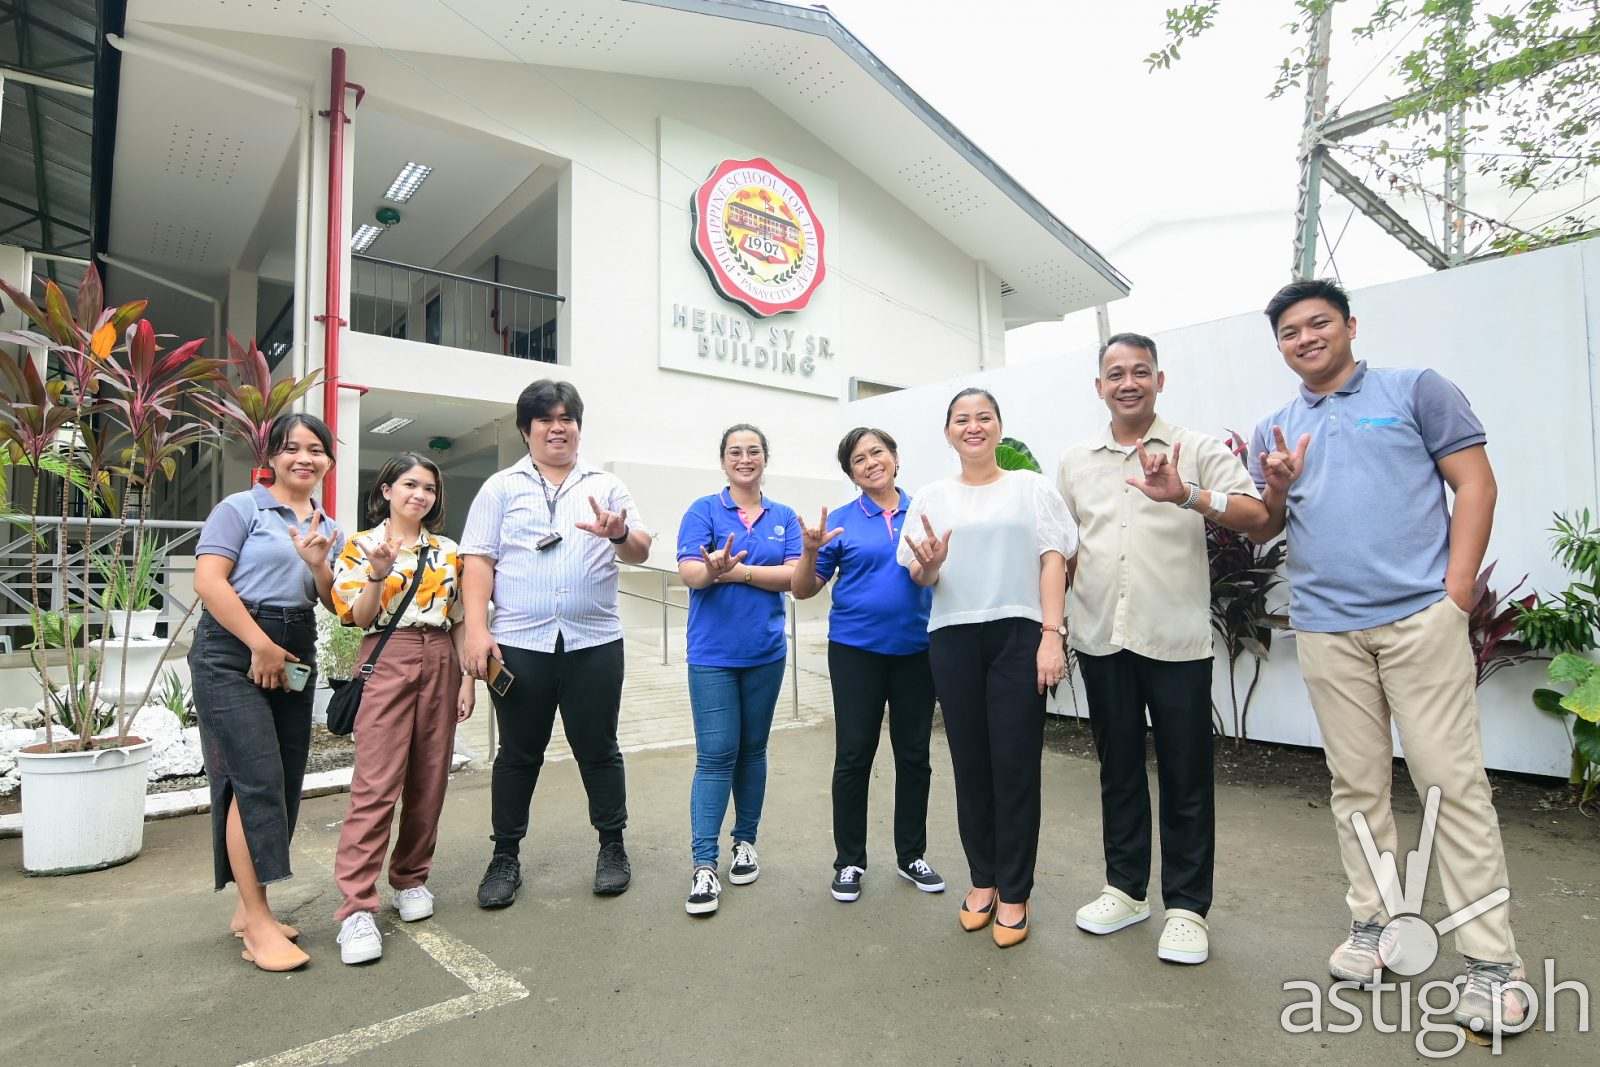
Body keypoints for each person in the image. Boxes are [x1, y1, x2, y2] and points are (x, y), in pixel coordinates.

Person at [1247, 278, 1525, 1031]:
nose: (1305, 339)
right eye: (1290, 333)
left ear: (1348, 326)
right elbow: (1268, 523)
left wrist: (1456, 594)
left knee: (1450, 783)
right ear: (1279, 346)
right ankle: (1374, 926)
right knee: (1356, 786)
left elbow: (1475, 483)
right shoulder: (1273, 427)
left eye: (1318, 324)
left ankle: (1492, 963)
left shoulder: (1416, 389)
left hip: (1418, 623)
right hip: (1328, 631)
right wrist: (1271, 491)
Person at [1057, 333, 1267, 966]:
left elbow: (1257, 514)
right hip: (1101, 638)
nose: (1128, 382)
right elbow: (1063, 551)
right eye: (1115, 373)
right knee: (1117, 769)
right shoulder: (1075, 462)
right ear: (1099, 386)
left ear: (1159, 379)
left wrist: (1188, 495)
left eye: (1139, 372)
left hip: (1174, 639)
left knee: (1185, 776)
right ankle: (1125, 889)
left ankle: (1186, 908)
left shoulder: (1196, 449)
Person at [459, 380, 652, 908]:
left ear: (579, 427)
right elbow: (477, 559)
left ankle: (612, 846)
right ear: (527, 430)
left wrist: (617, 533)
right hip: (521, 642)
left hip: (594, 643)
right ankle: (505, 856)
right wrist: (477, 630)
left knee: (600, 749)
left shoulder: (607, 485)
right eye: (545, 419)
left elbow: (638, 549)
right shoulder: (500, 488)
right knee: (518, 754)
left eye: (567, 418)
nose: (557, 427)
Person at [898, 388, 1076, 947]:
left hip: (1019, 633)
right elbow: (919, 577)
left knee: (1016, 764)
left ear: (999, 427)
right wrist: (929, 567)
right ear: (948, 432)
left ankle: (1015, 891)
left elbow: (1054, 560)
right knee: (970, 763)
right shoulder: (930, 495)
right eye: (961, 420)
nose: (973, 427)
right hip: (952, 636)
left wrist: (1052, 635)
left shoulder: (1031, 488)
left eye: (984, 418)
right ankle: (982, 881)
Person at [189, 413, 343, 972]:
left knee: (284, 779)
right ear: (271, 456)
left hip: (294, 644)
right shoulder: (242, 509)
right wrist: (259, 644)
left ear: (329, 459)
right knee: (253, 777)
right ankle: (256, 924)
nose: (304, 458)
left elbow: (330, 604)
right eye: (290, 448)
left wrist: (320, 567)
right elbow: (208, 582)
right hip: (232, 649)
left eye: (315, 449)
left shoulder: (329, 525)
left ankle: (248, 909)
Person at [326, 453, 474, 965]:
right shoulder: (360, 545)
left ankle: (411, 878)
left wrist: (466, 681)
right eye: (409, 484)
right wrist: (376, 575)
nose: (420, 495)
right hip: (386, 656)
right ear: (386, 489)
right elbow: (358, 617)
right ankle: (356, 908)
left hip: (440, 659)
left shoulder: (448, 551)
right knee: (376, 783)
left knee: (430, 778)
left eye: (429, 488)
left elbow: (456, 618)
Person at [792, 427, 942, 903]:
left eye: (878, 452)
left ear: (895, 458)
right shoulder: (839, 522)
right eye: (859, 459)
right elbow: (802, 589)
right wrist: (812, 550)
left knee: (915, 755)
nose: (871, 462)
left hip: (918, 651)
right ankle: (850, 861)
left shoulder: (927, 509)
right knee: (855, 755)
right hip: (856, 651)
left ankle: (911, 854)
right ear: (851, 473)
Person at [676, 424, 801, 916]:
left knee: (753, 751)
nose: (745, 459)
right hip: (712, 655)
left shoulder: (784, 516)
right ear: (723, 460)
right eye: (735, 452)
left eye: (753, 451)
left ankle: (744, 842)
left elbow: (794, 576)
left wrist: (737, 571)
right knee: (715, 755)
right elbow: (691, 572)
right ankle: (703, 865)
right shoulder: (703, 510)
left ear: (764, 458)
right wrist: (712, 568)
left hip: (766, 653)